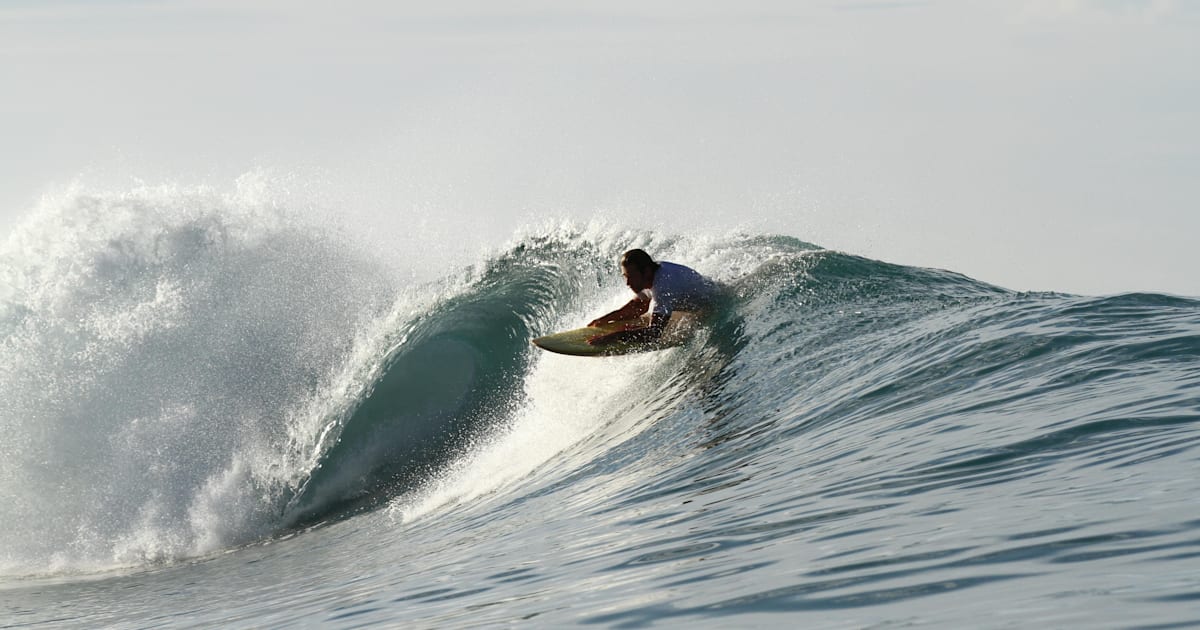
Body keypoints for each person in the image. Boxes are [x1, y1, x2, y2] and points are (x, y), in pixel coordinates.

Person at [587, 249, 720, 347]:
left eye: (631, 277)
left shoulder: (664, 286)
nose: (628, 283)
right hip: (698, 303)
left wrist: (614, 337)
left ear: (646, 271)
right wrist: (605, 319)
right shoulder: (652, 274)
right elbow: (639, 306)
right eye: (626, 277)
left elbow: (654, 334)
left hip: (713, 308)